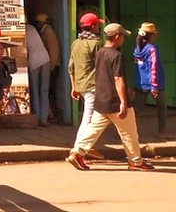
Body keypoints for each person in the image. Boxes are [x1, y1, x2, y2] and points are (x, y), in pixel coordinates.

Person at [66, 23, 155, 172]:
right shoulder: (116, 56)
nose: (123, 39)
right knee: (129, 133)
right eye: (122, 36)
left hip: (101, 99)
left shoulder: (100, 52)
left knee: (93, 129)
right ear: (117, 36)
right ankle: (135, 161)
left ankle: (77, 153)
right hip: (114, 101)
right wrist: (123, 102)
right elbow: (118, 79)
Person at [67, 12, 105, 161]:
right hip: (92, 86)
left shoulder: (76, 43)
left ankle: (87, 147)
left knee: (93, 118)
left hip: (81, 85)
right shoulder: (96, 44)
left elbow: (71, 67)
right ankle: (78, 148)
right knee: (88, 119)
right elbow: (102, 67)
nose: (98, 28)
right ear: (93, 26)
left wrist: (74, 86)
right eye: (97, 25)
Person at [133, 22, 169, 140]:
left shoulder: (137, 49)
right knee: (162, 108)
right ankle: (162, 133)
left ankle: (130, 133)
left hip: (140, 83)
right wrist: (154, 86)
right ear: (151, 35)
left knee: (136, 110)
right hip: (153, 84)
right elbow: (153, 67)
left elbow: (138, 66)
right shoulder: (152, 49)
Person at [33, 13, 62, 122]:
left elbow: (54, 50)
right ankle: (48, 115)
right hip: (48, 65)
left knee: (49, 91)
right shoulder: (45, 31)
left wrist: (51, 67)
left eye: (38, 22)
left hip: (51, 65)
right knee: (47, 91)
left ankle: (51, 115)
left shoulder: (48, 32)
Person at [25, 18, 52, 127]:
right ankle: (43, 119)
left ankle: (36, 117)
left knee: (35, 91)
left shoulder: (24, 31)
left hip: (34, 61)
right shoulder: (32, 28)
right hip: (45, 59)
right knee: (44, 90)